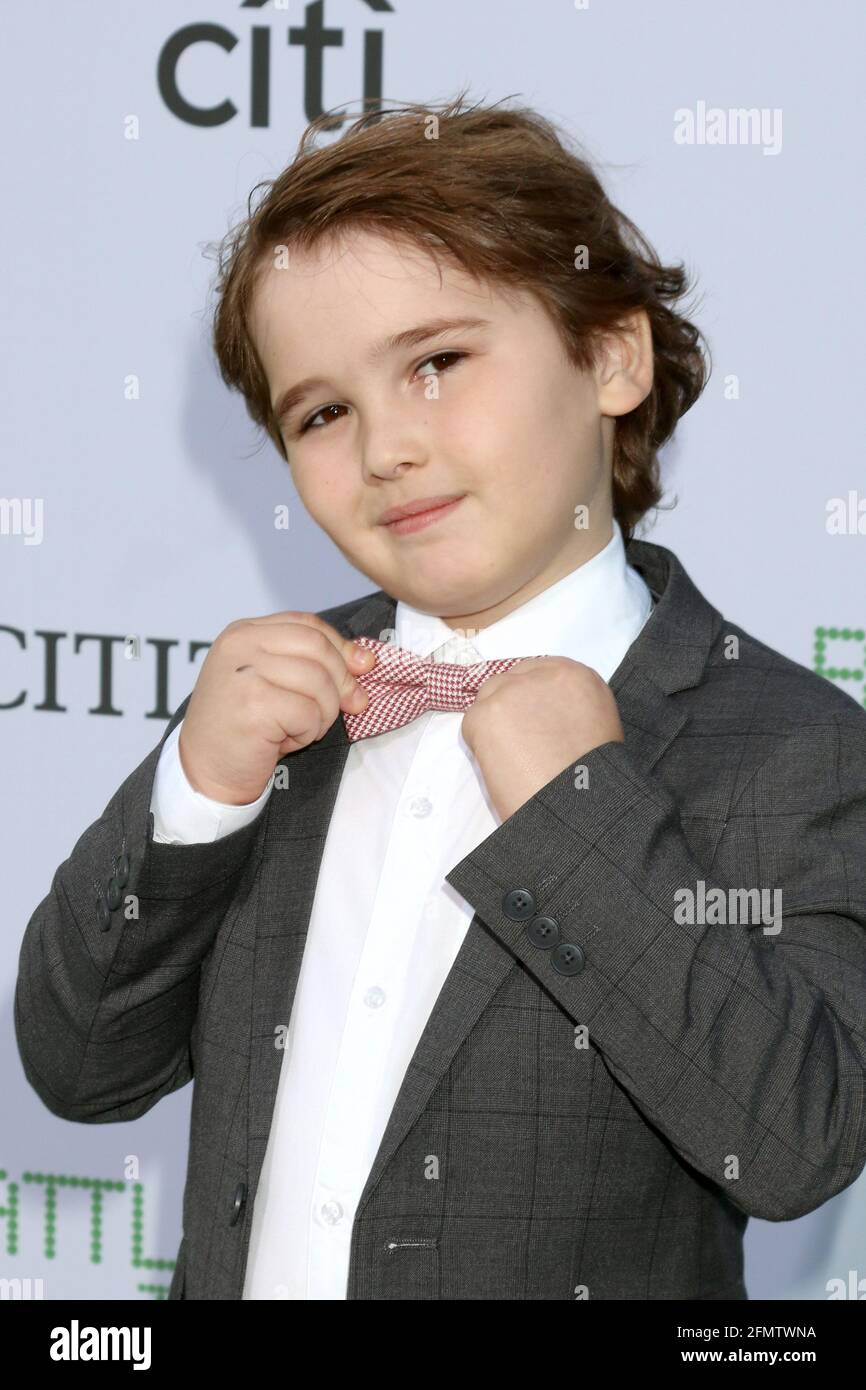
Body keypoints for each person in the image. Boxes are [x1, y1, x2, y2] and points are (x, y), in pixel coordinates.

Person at [15, 95, 866, 1301]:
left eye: (436, 363)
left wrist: (582, 813)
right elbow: (78, 1066)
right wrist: (196, 795)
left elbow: (791, 1144)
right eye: (321, 412)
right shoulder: (279, 710)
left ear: (610, 355)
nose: (384, 450)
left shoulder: (794, 746)